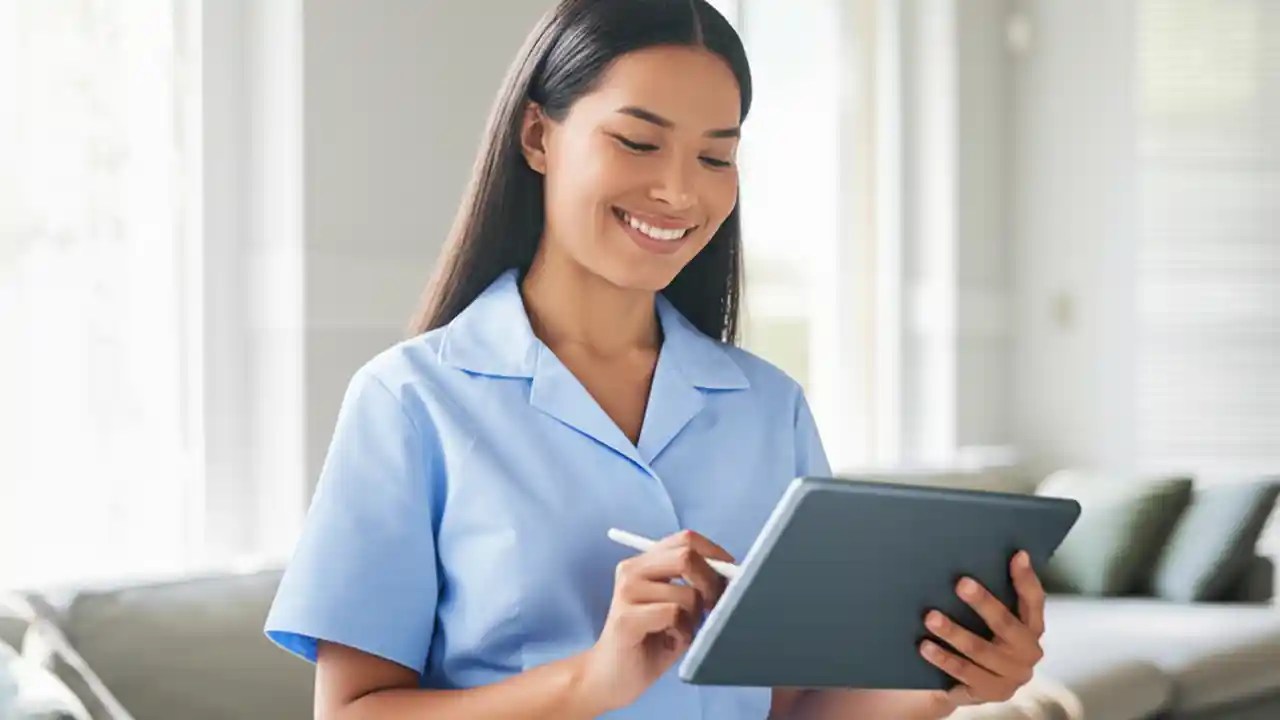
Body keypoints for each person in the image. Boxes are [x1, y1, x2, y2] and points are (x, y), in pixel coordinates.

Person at [264, 1, 1048, 717]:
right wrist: (590, 680)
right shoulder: (412, 401)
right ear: (539, 136)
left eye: (715, 157)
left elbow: (790, 708)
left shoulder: (769, 409)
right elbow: (352, 712)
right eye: (638, 142)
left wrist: (949, 679)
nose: (678, 192)